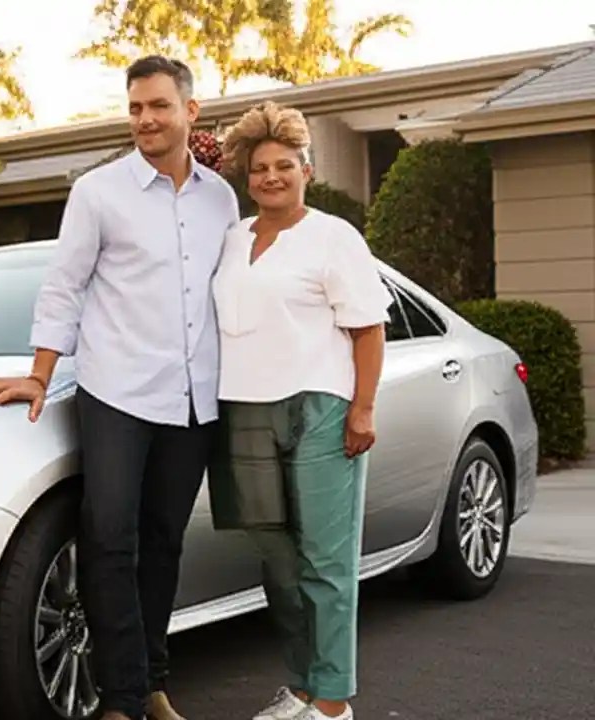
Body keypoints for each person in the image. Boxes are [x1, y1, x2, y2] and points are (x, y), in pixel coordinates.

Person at [0, 55, 239, 720]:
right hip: (117, 392)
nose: (146, 120)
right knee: (109, 537)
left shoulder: (221, 198)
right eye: (135, 108)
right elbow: (64, 286)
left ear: (190, 112)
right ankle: (120, 698)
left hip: (195, 398)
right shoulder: (98, 193)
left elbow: (235, 293)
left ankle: (149, 683)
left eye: (159, 106)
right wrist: (39, 374)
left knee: (164, 543)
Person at [210, 101, 392, 720]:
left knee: (325, 561)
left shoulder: (334, 236)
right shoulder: (233, 240)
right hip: (243, 410)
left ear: (306, 170)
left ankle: (334, 704)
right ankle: (304, 686)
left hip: (319, 407)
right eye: (260, 168)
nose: (270, 177)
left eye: (283, 165)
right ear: (248, 177)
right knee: (278, 561)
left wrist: (361, 410)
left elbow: (369, 330)